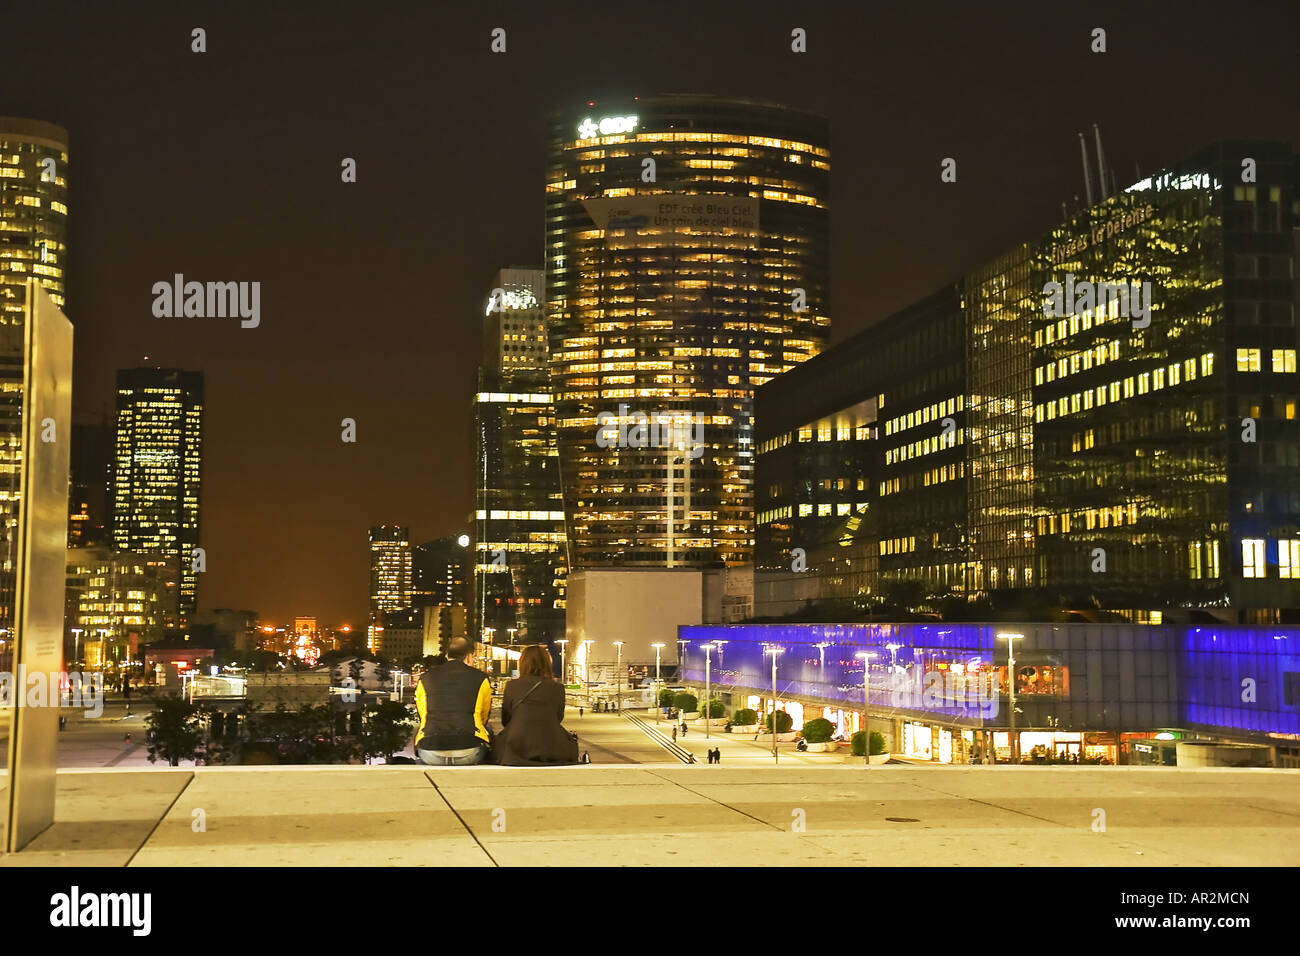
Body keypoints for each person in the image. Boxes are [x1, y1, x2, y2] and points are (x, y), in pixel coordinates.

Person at [494, 645, 581, 766]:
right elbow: (558, 717)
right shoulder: (557, 688)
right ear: (547, 663)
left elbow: (506, 719)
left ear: (522, 663)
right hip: (552, 744)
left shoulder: (512, 685)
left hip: (517, 746)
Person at [414, 638, 492, 766]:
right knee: (488, 732)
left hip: (430, 751)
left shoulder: (425, 678)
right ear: (469, 657)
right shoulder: (481, 678)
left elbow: (423, 714)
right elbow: (484, 716)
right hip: (470, 750)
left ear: (446, 655)